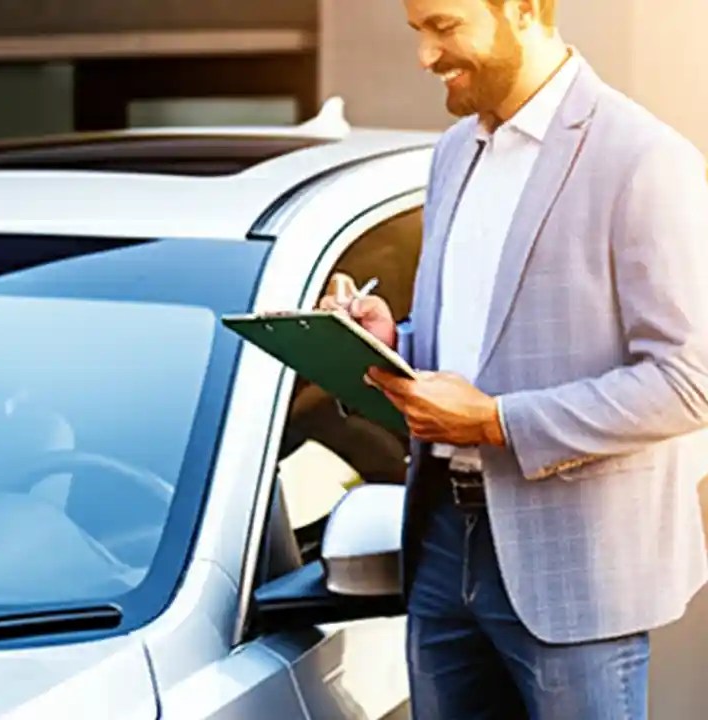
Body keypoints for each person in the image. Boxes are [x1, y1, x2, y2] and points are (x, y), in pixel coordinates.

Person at [318, 0, 708, 717]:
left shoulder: (647, 159)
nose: (425, 57)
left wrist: (498, 422)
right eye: (417, 32)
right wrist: (394, 343)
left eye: (443, 27)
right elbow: (486, 341)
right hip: (439, 543)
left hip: (576, 570)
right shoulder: (452, 152)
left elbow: (689, 381)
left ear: (526, 9)